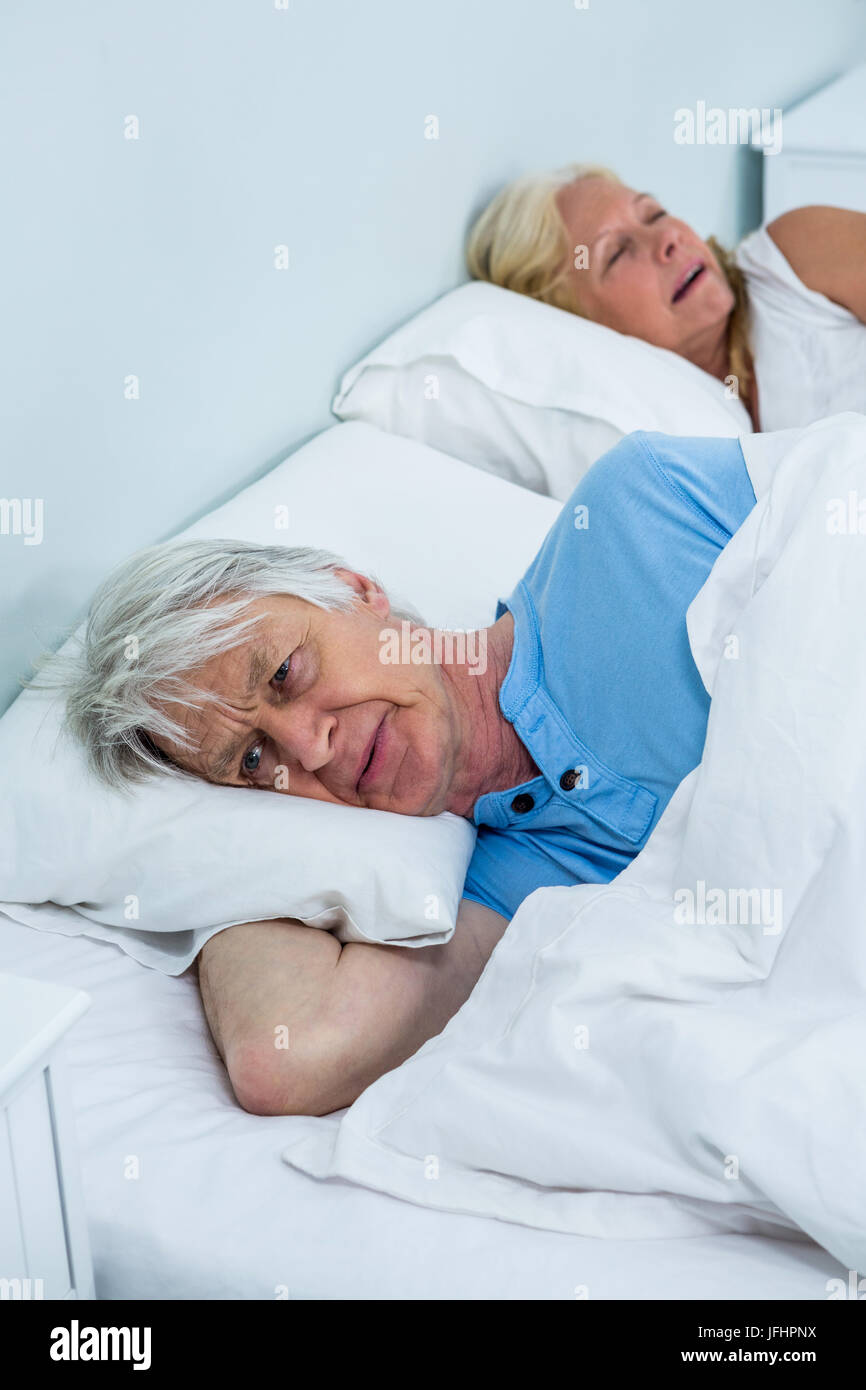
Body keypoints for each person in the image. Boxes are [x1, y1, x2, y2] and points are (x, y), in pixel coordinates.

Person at [57, 429, 758, 1116]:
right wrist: (224, 845)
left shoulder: (644, 510)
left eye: (284, 673)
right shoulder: (494, 892)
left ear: (355, 591)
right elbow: (287, 1061)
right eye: (251, 759)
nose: (309, 747)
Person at [466, 163, 866, 432]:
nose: (668, 240)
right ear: (578, 323)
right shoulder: (657, 437)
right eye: (619, 253)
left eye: (654, 214)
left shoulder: (791, 260)